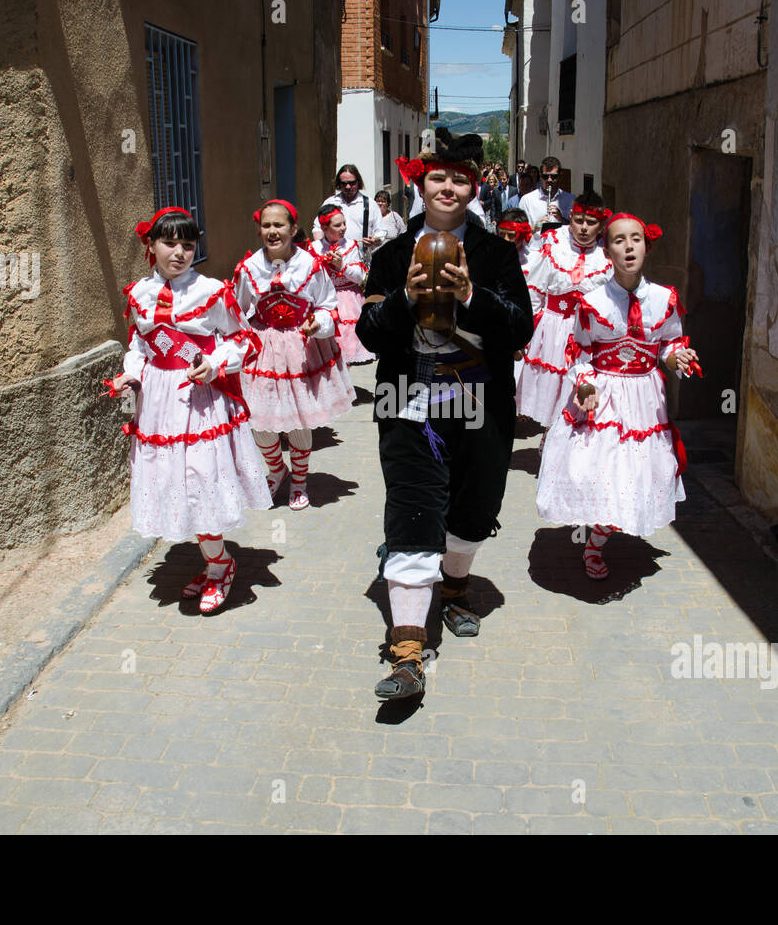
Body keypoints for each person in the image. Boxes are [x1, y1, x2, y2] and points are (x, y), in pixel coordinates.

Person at [358, 130, 533, 700]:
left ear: (474, 185)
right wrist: (405, 301)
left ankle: (454, 591)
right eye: (439, 177)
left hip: (481, 403)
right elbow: (367, 334)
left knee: (473, 510)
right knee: (411, 515)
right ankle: (407, 650)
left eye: (460, 178)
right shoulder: (389, 255)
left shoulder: (497, 253)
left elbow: (520, 331)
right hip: (408, 403)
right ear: (421, 183)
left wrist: (471, 297)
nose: (449, 187)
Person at [103, 207, 272, 614]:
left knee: (200, 480)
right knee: (174, 481)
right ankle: (216, 562)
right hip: (159, 403)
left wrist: (214, 365)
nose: (179, 252)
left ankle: (220, 568)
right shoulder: (139, 293)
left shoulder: (210, 291)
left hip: (200, 400)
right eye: (169, 243)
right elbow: (141, 347)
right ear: (151, 246)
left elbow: (245, 340)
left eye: (188, 245)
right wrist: (131, 376)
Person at [535, 215, 701, 578]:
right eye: (619, 240)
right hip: (604, 396)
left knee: (634, 470)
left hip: (644, 400)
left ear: (646, 245)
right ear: (607, 250)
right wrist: (585, 384)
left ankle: (600, 538)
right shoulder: (592, 302)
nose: (629, 246)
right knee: (600, 471)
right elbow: (579, 350)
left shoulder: (663, 298)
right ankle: (595, 542)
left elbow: (668, 344)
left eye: (636, 239)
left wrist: (677, 358)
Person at [234, 199, 356, 511]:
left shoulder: (311, 266)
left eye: (279, 225)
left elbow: (328, 304)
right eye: (266, 225)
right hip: (264, 353)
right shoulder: (249, 269)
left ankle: (300, 480)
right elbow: (240, 311)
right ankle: (277, 470)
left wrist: (320, 323)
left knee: (298, 419)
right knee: (259, 419)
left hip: (302, 348)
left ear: (293, 228)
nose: (272, 231)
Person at [514, 190, 613, 428]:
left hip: (586, 335)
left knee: (578, 388)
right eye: (579, 221)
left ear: (601, 226)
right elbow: (535, 291)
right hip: (553, 329)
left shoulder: (605, 257)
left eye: (591, 223)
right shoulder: (554, 244)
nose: (584, 228)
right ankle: (552, 437)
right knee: (554, 389)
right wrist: (526, 331)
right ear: (570, 219)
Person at [312, 201, 376, 364]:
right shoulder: (314, 248)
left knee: (346, 353)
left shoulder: (351, 246)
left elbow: (359, 277)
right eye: (337, 225)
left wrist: (342, 266)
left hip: (348, 301)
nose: (343, 228)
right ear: (325, 228)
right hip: (324, 300)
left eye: (344, 223)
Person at [311, 165, 382, 254]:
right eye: (344, 183)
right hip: (333, 259)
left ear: (358, 182)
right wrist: (322, 251)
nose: (348, 187)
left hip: (360, 260)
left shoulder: (370, 204)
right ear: (339, 184)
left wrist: (375, 240)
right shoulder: (330, 202)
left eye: (352, 183)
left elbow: (380, 231)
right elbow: (318, 228)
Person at [519, 156, 575, 229]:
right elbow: (520, 231)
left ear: (560, 176)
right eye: (545, 176)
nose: (549, 180)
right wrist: (536, 227)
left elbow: (575, 230)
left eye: (553, 176)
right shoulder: (527, 200)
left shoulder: (571, 199)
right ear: (540, 175)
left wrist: (561, 219)